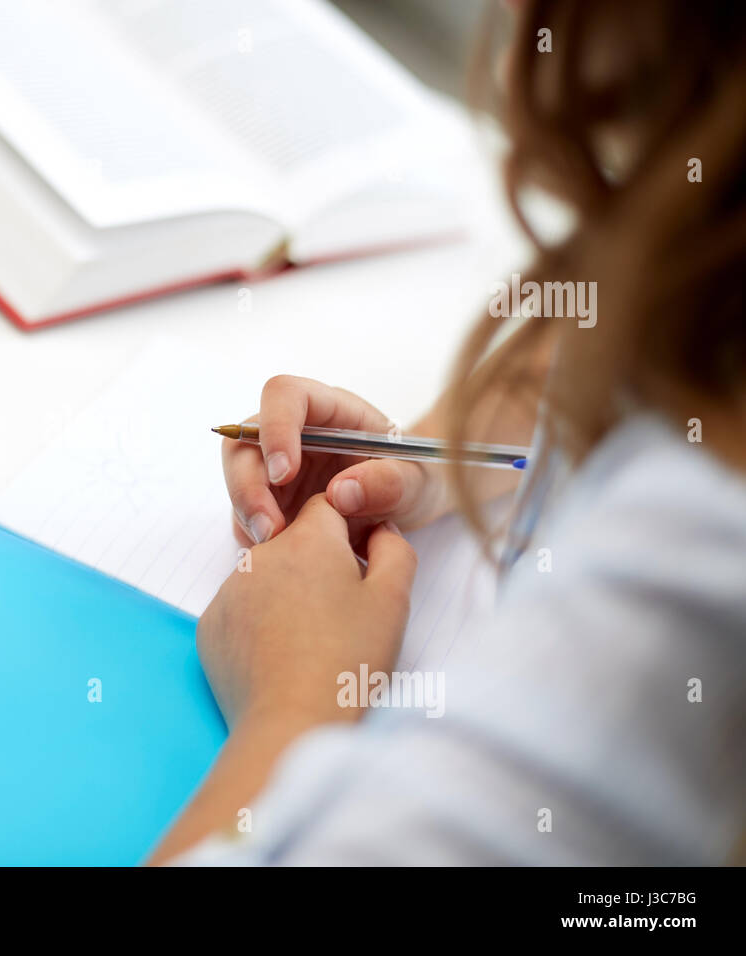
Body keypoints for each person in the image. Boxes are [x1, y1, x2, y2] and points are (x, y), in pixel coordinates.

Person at [150, 0, 746, 865]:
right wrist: (425, 460)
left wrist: (299, 698)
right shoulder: (703, 250)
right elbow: (615, 321)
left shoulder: (699, 547)